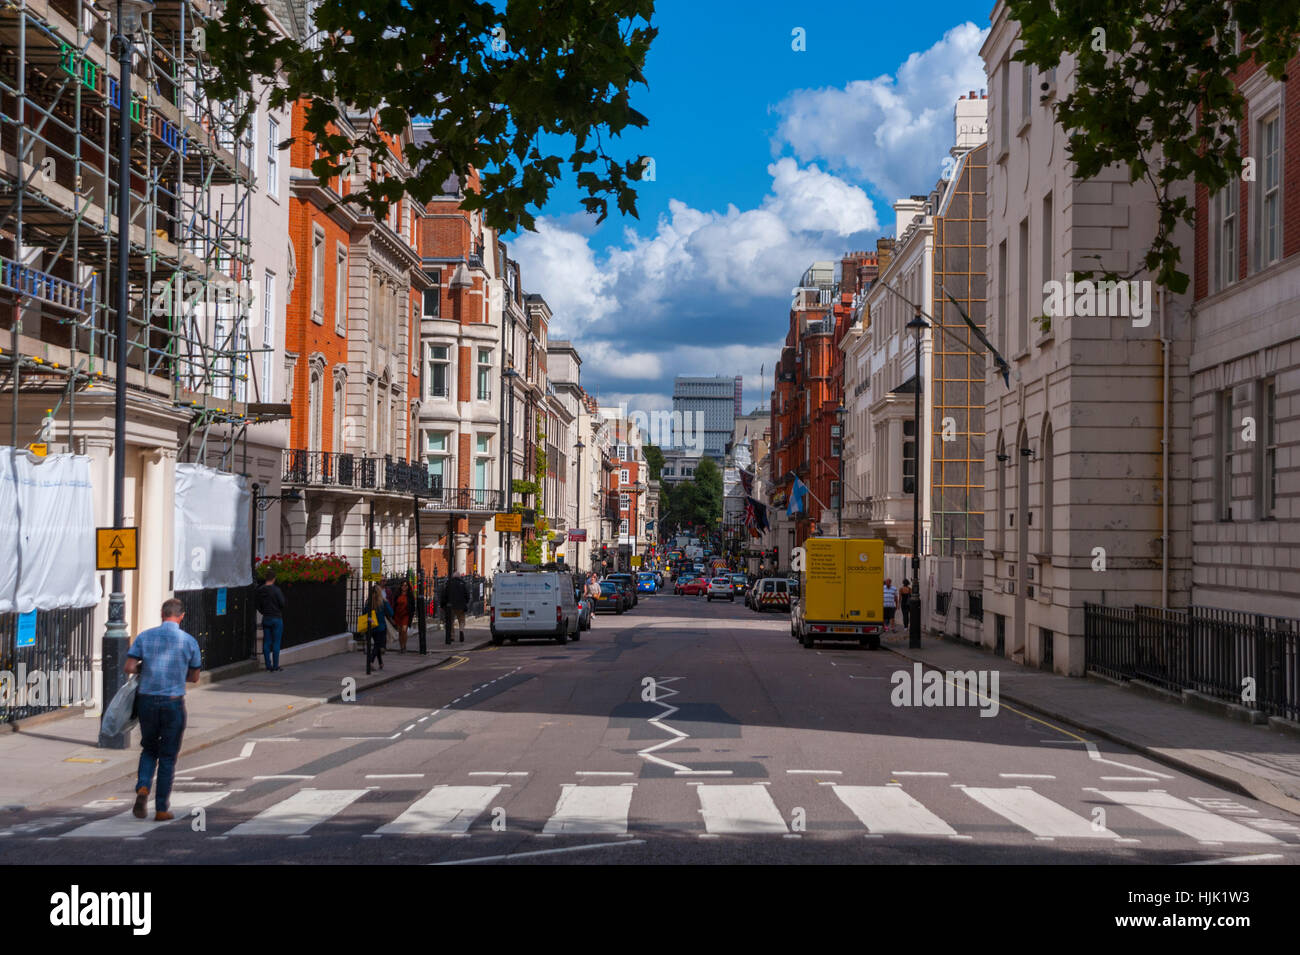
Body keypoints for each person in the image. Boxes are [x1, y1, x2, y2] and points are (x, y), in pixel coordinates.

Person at [125, 598, 202, 822]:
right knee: (168, 756)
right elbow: (195, 677)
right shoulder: (189, 641)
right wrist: (180, 674)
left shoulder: (145, 636)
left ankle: (142, 787)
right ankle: (161, 809)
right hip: (173, 702)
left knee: (149, 748)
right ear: (181, 616)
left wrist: (145, 668)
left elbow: (129, 667)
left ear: (162, 614)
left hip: (147, 701)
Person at [255, 571, 286, 672]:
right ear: (274, 578)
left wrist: (263, 611)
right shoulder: (276, 590)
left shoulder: (260, 590)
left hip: (266, 618)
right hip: (276, 618)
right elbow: (282, 603)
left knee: (267, 642)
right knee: (276, 643)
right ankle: (276, 665)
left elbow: (257, 604)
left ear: (266, 578)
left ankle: (268, 666)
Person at [363, 583, 393, 671]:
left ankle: (380, 663)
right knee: (378, 645)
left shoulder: (369, 602)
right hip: (381, 627)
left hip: (371, 627)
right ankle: (370, 661)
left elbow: (364, 613)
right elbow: (391, 613)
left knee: (377, 644)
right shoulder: (383, 602)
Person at [443, 571, 470, 644]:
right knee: (461, 620)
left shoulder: (449, 583)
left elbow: (445, 595)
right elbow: (467, 595)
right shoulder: (463, 584)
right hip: (461, 606)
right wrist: (466, 602)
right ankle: (461, 630)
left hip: (451, 606)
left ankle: (452, 636)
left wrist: (443, 605)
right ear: (459, 577)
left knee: (451, 621)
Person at [393, 580, 413, 653]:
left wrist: (411, 614)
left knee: (404, 630)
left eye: (406, 585)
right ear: (401, 586)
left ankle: (404, 646)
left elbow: (412, 606)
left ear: (408, 587)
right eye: (403, 585)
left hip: (406, 615)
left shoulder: (410, 595)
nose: (404, 587)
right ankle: (401, 647)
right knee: (400, 632)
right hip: (398, 615)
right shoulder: (397, 594)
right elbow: (394, 604)